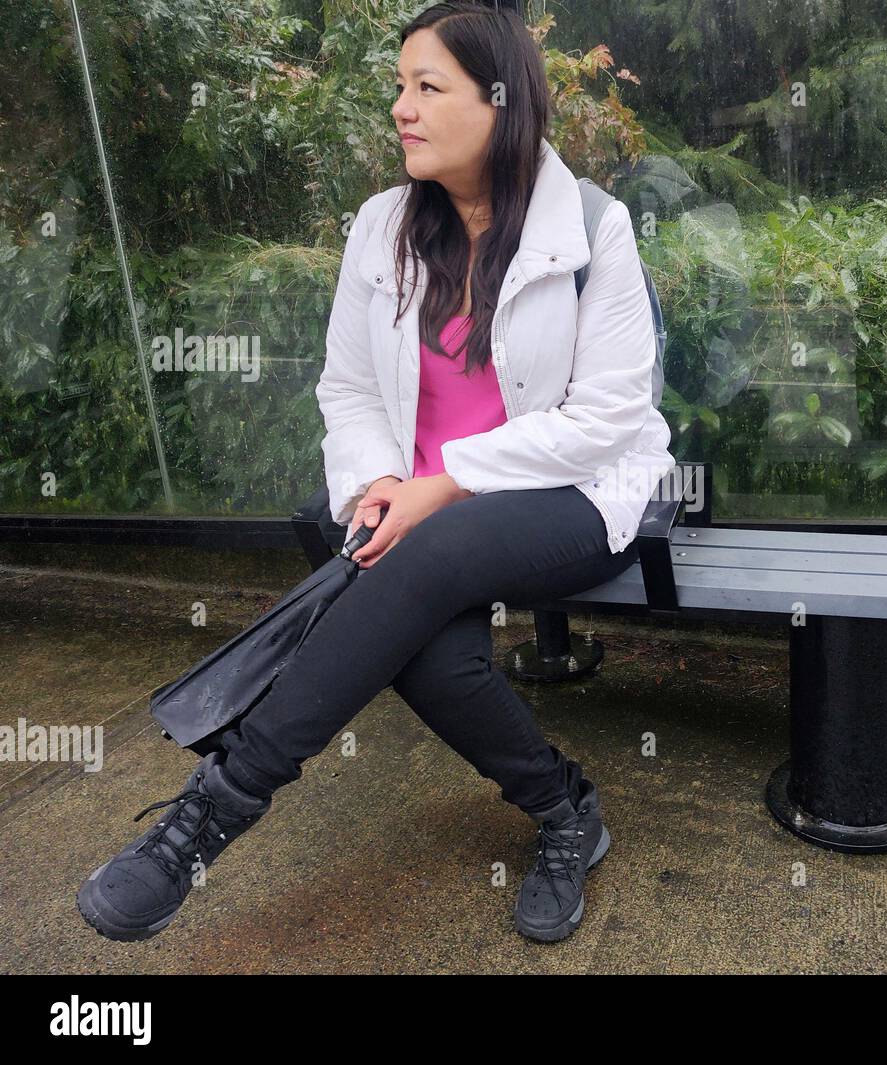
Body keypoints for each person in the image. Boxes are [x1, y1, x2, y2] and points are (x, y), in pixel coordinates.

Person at [76, 0, 675, 945]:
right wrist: (376, 485)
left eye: (427, 87)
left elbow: (609, 416)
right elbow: (348, 388)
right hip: (419, 507)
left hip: (566, 492)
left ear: (500, 100)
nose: (401, 107)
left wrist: (445, 483)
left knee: (424, 561)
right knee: (431, 650)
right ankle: (566, 810)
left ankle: (214, 809)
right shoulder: (381, 227)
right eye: (399, 86)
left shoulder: (593, 226)